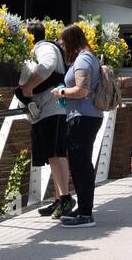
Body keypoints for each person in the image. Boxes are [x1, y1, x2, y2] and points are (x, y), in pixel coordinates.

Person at [18, 22, 72, 220]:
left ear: (31, 35)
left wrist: (28, 88)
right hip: (53, 108)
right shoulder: (47, 47)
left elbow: (47, 65)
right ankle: (59, 199)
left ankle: (65, 198)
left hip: (52, 108)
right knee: (54, 154)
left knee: (56, 154)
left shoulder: (43, 47)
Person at [53, 23, 103, 228]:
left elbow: (82, 90)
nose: (61, 46)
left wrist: (61, 92)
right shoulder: (89, 56)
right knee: (81, 162)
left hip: (83, 116)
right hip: (87, 115)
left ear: (71, 41)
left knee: (81, 164)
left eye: (63, 42)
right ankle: (83, 209)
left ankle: (85, 213)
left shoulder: (82, 60)